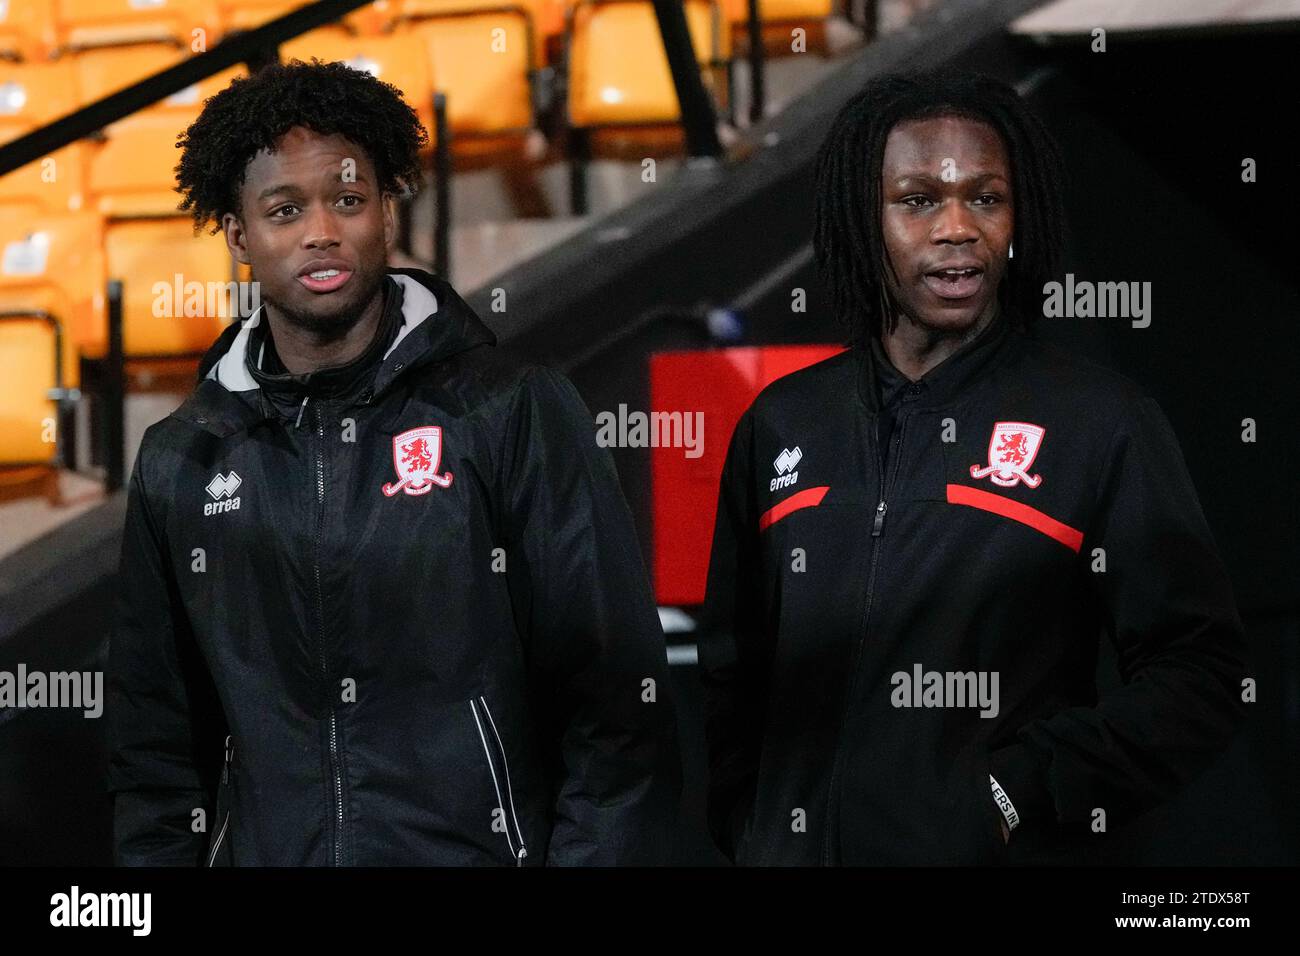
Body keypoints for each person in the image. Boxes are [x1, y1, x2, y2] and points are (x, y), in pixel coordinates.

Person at [106, 60, 681, 866]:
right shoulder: (183, 458)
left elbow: (615, 705)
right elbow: (157, 754)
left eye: (348, 199)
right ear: (237, 235)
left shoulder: (509, 409)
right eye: (283, 209)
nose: (320, 231)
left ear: (386, 211)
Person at [697, 71, 1250, 865]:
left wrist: (1014, 793)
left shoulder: (1097, 420)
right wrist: (752, 826)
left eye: (986, 198)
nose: (957, 227)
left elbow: (1200, 670)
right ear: (866, 219)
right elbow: (733, 669)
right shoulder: (784, 422)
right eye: (918, 199)